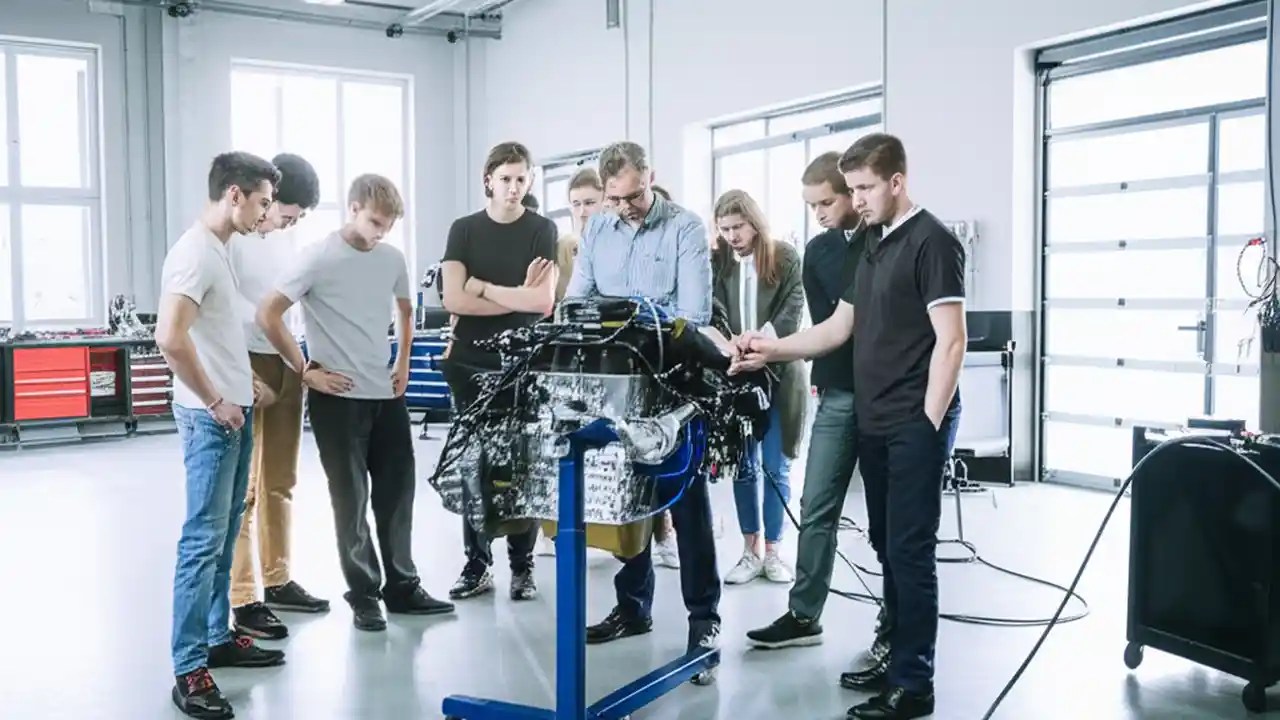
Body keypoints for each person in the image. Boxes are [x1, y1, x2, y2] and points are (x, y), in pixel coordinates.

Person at [731, 133, 964, 720]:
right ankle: (893, 660)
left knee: (910, 553)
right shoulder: (874, 246)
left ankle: (914, 685)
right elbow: (836, 330)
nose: (856, 200)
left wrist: (927, 424)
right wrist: (770, 350)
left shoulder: (932, 241)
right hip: (877, 415)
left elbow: (952, 340)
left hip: (913, 421)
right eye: (852, 189)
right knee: (888, 546)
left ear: (896, 183)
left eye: (864, 188)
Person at [256, 173, 455, 633]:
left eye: (387, 226)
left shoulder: (391, 258)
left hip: (385, 395)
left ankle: (403, 588)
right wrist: (305, 369)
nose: (380, 233)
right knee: (351, 500)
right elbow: (267, 312)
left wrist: (403, 362)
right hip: (338, 399)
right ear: (352, 209)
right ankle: (364, 595)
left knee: (398, 494)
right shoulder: (318, 257)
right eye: (374, 222)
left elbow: (406, 311)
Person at [563, 140, 721, 684]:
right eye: (614, 199)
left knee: (685, 500)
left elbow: (695, 314)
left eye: (632, 196)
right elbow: (575, 299)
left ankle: (703, 620)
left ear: (650, 177)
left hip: (672, 384)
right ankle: (633, 607)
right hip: (611, 381)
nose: (624, 208)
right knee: (621, 493)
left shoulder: (685, 228)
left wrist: (629, 315)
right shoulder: (600, 229)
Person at [157, 151, 285, 720]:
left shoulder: (222, 249)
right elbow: (169, 337)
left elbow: (214, 332)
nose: (266, 214)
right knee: (201, 543)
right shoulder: (193, 255)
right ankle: (189, 669)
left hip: (235, 409)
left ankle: (214, 637)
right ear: (234, 195)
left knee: (226, 530)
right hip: (212, 420)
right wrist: (215, 398)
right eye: (261, 202)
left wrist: (244, 378)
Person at [746, 151, 866, 647]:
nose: (818, 212)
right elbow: (827, 330)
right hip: (838, 393)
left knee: (890, 526)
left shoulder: (886, 244)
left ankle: (893, 626)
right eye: (811, 204)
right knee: (815, 504)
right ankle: (802, 615)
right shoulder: (818, 252)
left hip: (886, 396)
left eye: (826, 201)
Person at [439, 141, 558, 601]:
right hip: (469, 362)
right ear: (488, 178)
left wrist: (484, 287)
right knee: (475, 465)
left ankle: (522, 567)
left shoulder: (541, 229)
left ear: (529, 181)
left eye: (521, 179)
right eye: (505, 178)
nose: (513, 187)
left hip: (522, 361)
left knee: (522, 465)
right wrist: (514, 295)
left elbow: (542, 303)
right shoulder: (463, 230)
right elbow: (452, 300)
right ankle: (476, 564)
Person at [226, 153, 328, 642]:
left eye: (301, 214)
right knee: (242, 488)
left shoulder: (290, 241)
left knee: (281, 480)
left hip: (290, 358)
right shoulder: (236, 240)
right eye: (288, 209)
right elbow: (224, 305)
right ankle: (244, 599)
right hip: (246, 359)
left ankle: (278, 578)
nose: (293, 219)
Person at [710, 189, 806, 586]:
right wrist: (730, 346)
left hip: (779, 372)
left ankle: (772, 552)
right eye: (725, 228)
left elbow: (793, 307)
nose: (732, 235)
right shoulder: (719, 262)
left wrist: (763, 344)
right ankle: (749, 550)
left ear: (754, 222)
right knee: (744, 468)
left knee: (775, 466)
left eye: (738, 227)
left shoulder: (783, 257)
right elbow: (712, 310)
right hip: (736, 374)